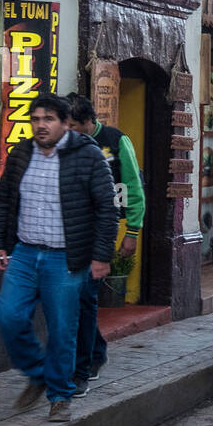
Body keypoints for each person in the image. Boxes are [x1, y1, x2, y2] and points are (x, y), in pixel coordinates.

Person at [0, 94, 117, 422]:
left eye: (48, 119)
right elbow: (4, 200)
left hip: (66, 258)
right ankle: (37, 371)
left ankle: (59, 396)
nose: (40, 125)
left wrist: (101, 257)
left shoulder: (88, 155)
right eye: (35, 119)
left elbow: (106, 209)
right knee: (10, 316)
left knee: (62, 330)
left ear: (63, 122)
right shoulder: (21, 153)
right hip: (25, 253)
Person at [65, 92, 145, 397]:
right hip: (69, 233)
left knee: (85, 294)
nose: (68, 130)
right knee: (76, 300)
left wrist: (132, 232)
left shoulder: (115, 140)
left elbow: (133, 187)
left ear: (89, 122)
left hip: (102, 230)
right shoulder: (62, 145)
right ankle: (95, 352)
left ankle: (82, 368)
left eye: (73, 125)